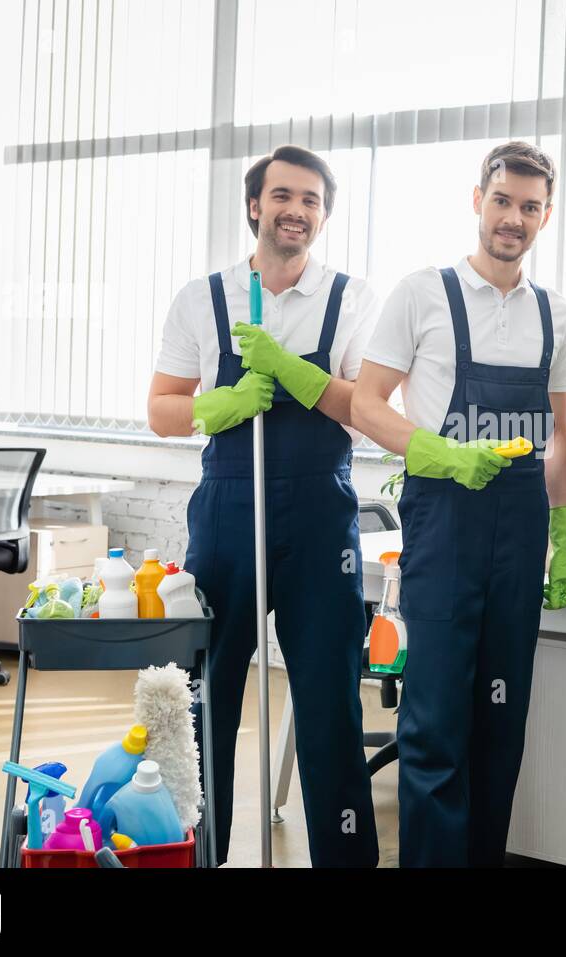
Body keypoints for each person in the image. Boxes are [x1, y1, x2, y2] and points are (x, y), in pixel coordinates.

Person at [148, 145, 379, 867]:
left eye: (311, 200)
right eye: (284, 196)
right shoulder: (203, 298)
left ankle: (343, 855)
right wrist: (221, 402)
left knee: (330, 692)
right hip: (226, 509)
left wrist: (287, 373)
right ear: (255, 205)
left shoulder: (351, 298)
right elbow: (160, 409)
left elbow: (365, 404)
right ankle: (197, 848)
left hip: (320, 517)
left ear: (323, 215)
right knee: (208, 687)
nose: (296, 211)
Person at [352, 141, 566, 867]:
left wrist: (563, 533)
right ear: (477, 199)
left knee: (500, 721)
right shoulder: (423, 293)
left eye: (530, 207)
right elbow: (365, 401)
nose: (514, 218)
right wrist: (438, 451)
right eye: (503, 200)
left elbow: (559, 438)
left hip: (519, 532)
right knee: (435, 719)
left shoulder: (557, 315)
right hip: (444, 523)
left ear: (547, 215)